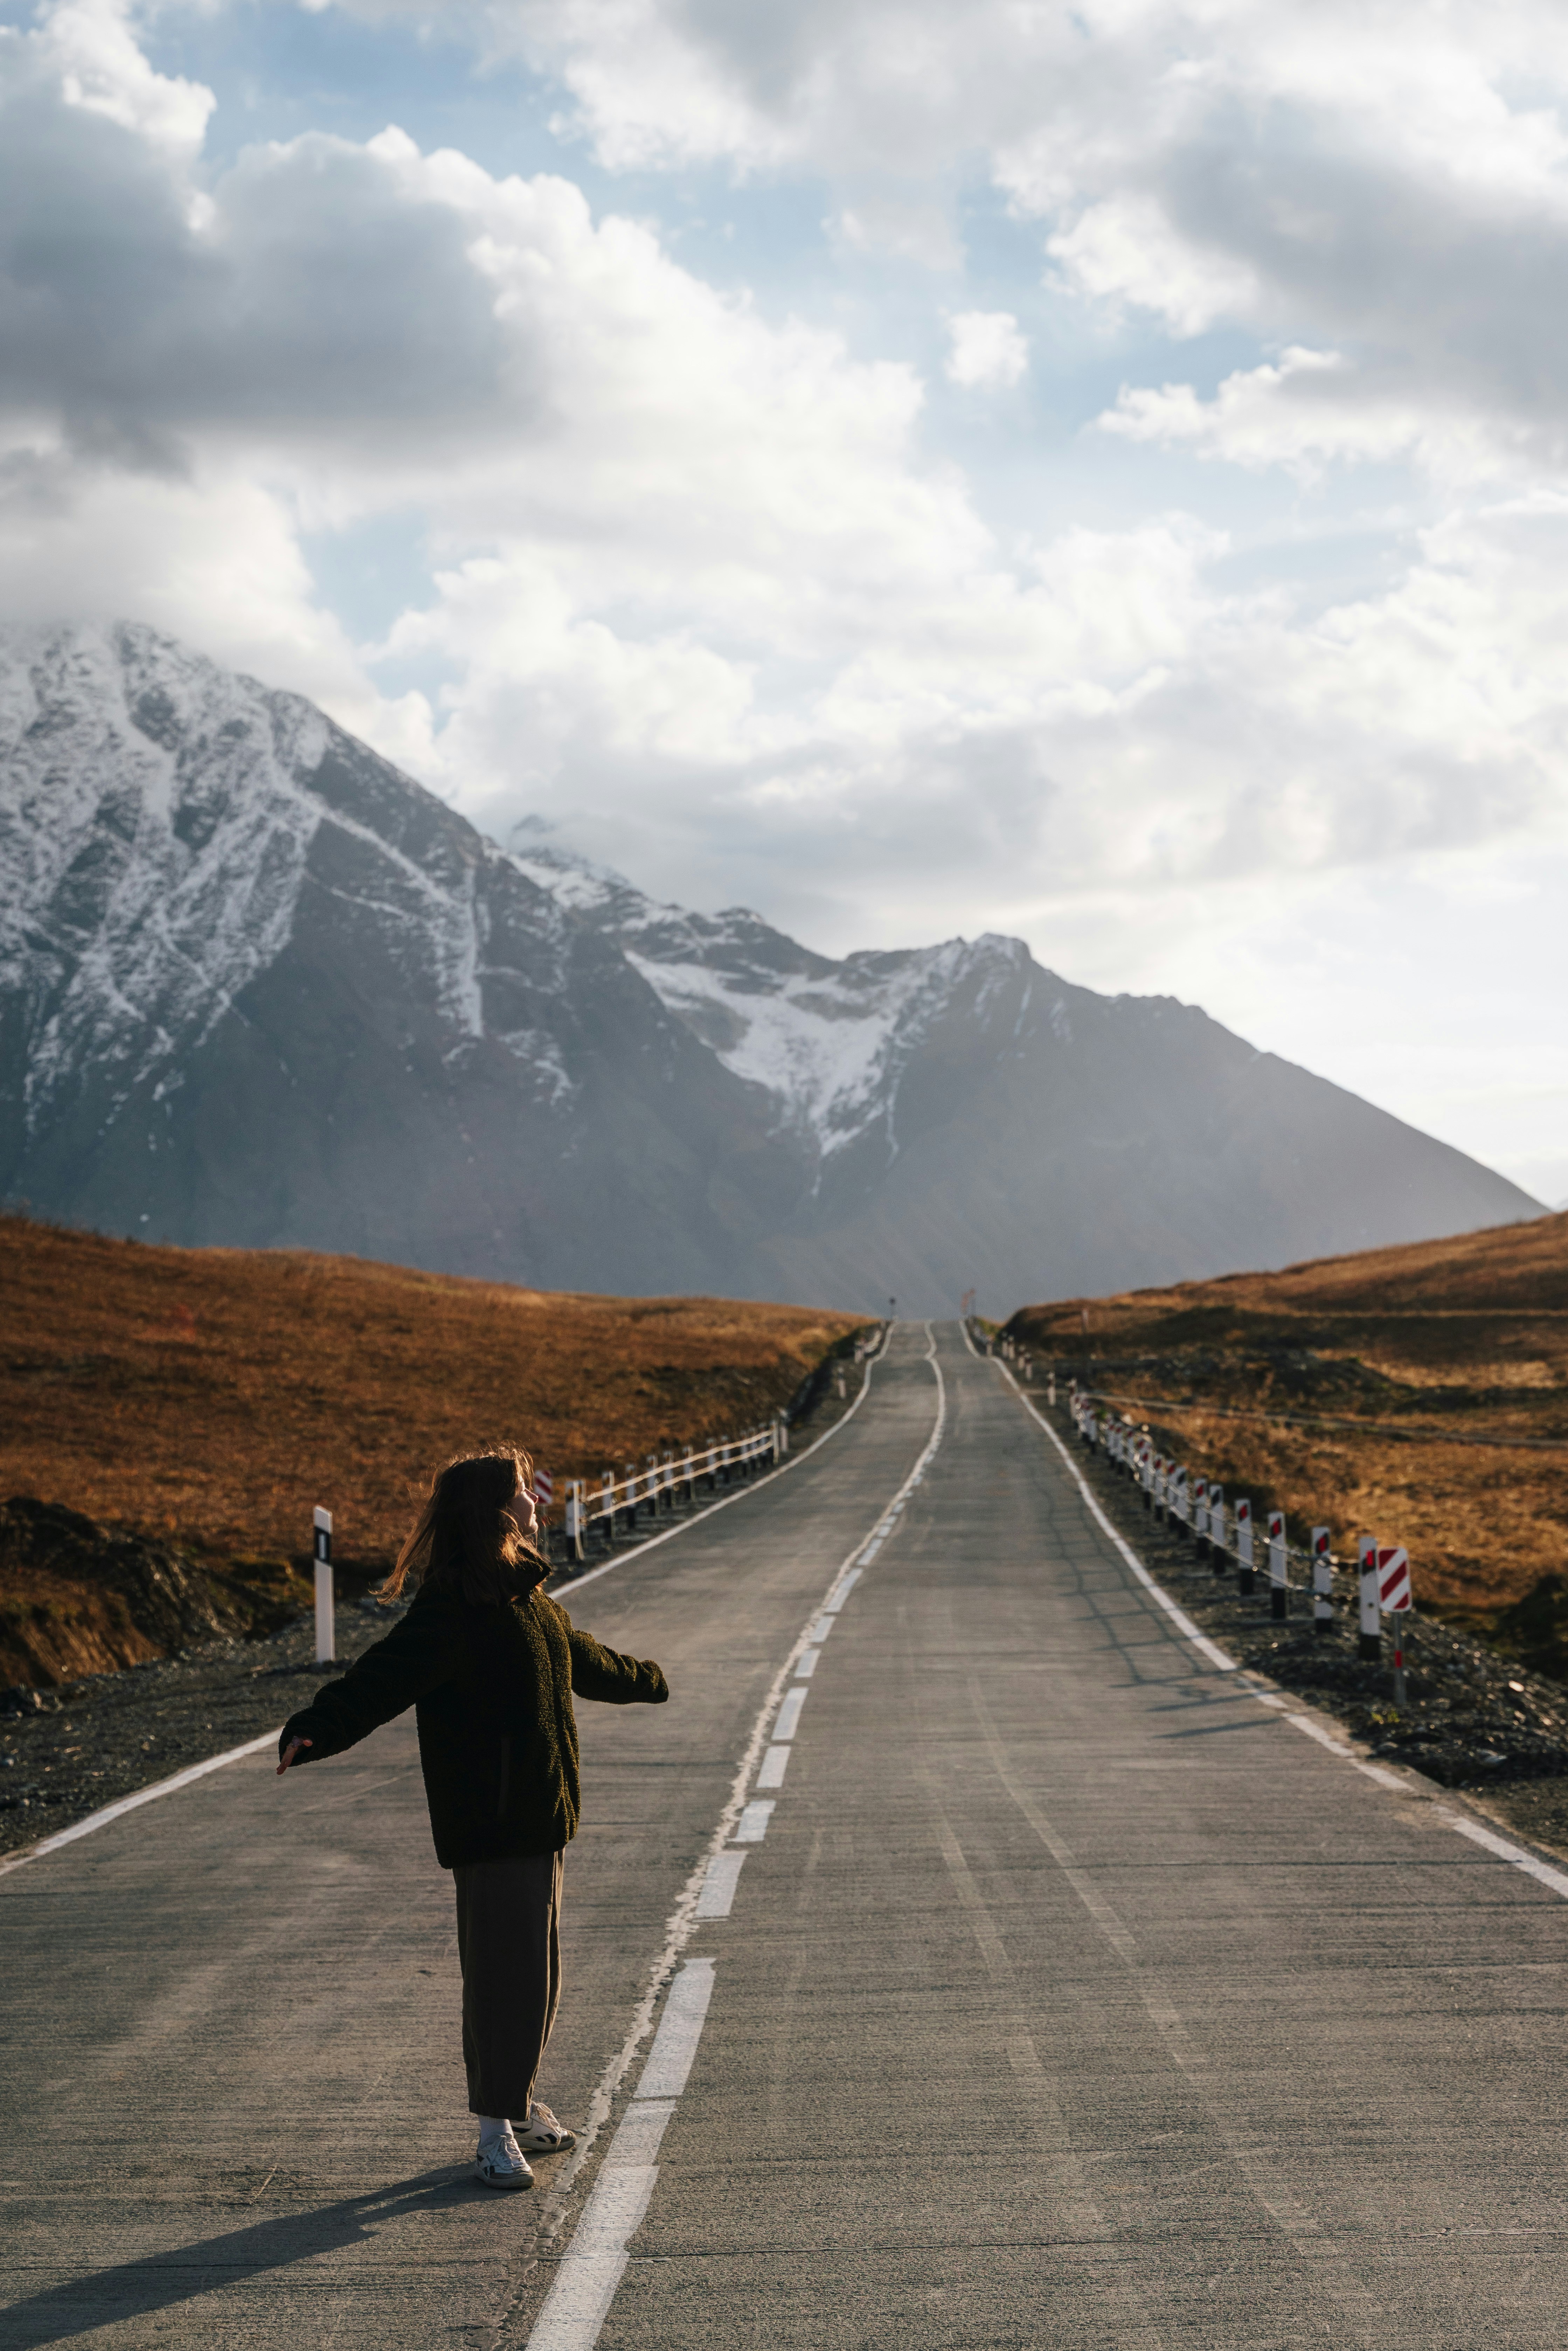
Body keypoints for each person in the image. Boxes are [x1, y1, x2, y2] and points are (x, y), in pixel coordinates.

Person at [276, 1447, 669, 2190]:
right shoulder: (455, 1608)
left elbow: (584, 1659)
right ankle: (492, 2133)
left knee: (538, 1978)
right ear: (494, 1510)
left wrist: (648, 1680)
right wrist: (317, 1727)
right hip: (491, 1830)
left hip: (542, 1821)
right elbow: (385, 1675)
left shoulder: (530, 1602)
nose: (535, 1500)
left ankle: (516, 2109)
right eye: (524, 1491)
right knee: (503, 1981)